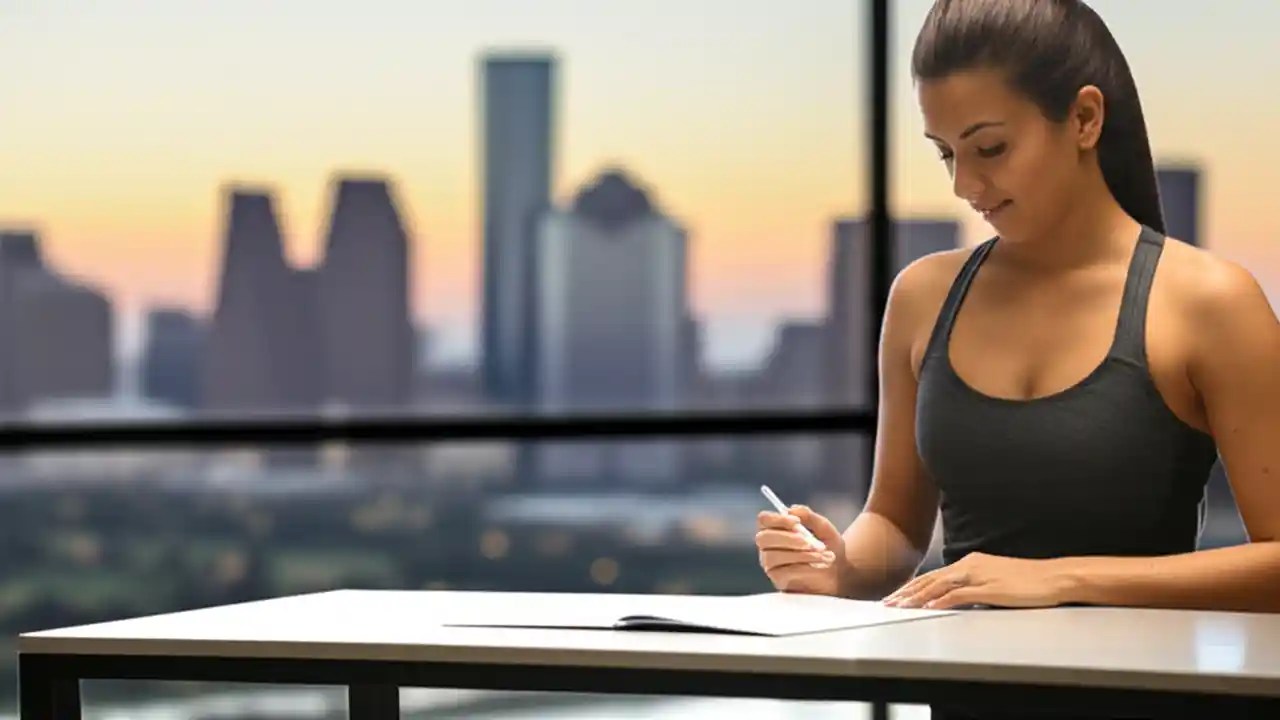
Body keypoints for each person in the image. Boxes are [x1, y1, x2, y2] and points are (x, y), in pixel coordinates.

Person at [755, 1, 1279, 718]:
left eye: (990, 148)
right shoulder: (923, 296)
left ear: (1086, 120)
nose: (965, 186)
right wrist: (837, 566)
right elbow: (898, 527)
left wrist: (1061, 579)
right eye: (946, 153)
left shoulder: (1208, 301)